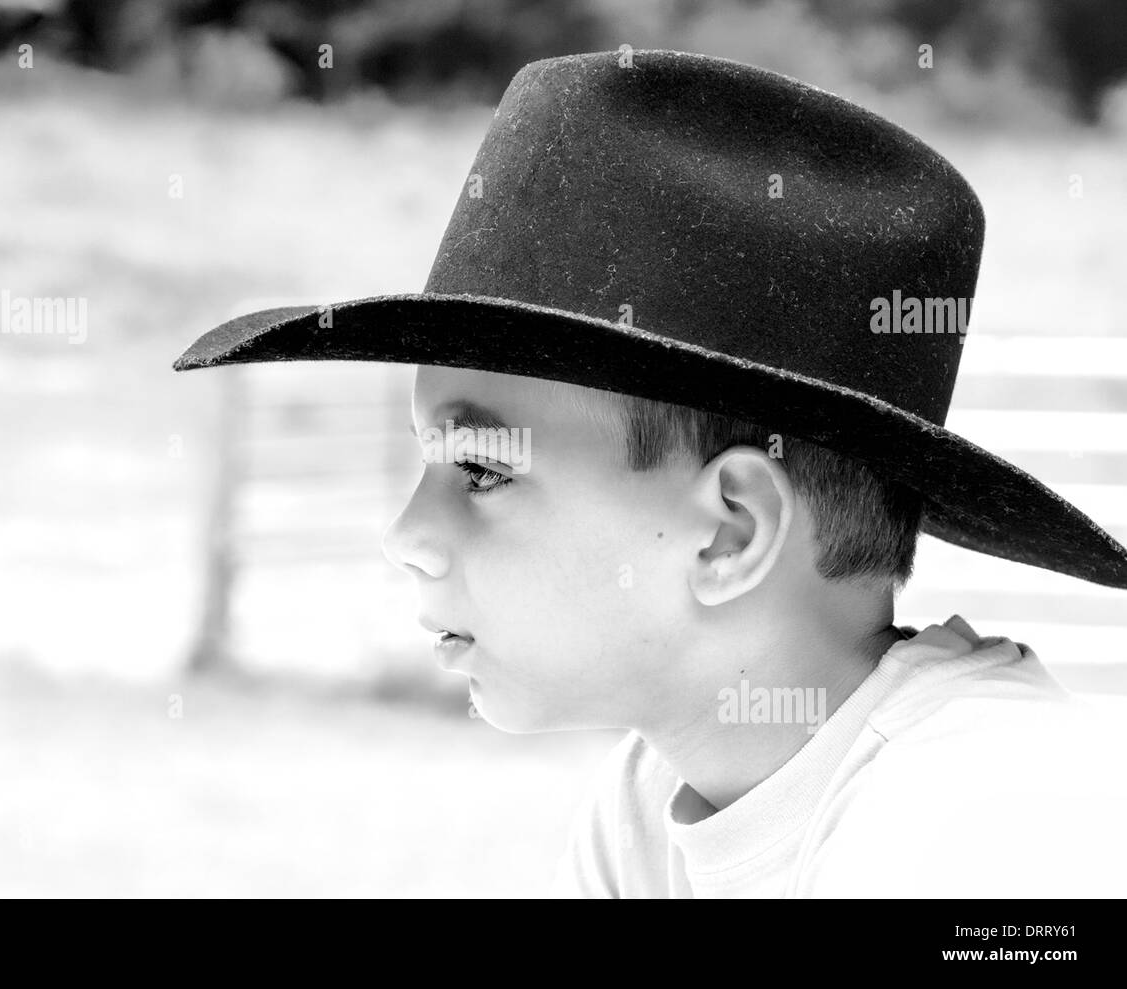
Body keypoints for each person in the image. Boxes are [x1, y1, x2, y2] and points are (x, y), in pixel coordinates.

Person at [174, 50, 1127, 897]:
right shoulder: (659, 800)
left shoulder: (992, 821)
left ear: (730, 532)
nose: (407, 536)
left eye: (480, 469)